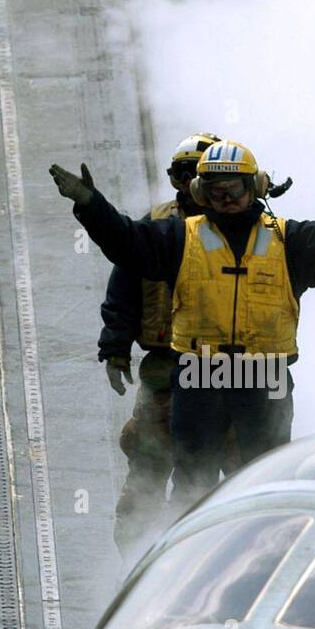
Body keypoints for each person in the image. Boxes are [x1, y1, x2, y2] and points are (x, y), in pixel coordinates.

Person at [51, 137, 315, 507]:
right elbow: (125, 243)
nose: (226, 200)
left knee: (267, 484)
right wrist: (89, 204)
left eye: (235, 190)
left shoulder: (290, 240)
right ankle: (192, 557)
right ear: (200, 192)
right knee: (193, 483)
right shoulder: (180, 237)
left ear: (256, 187)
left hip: (264, 375)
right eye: (215, 192)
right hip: (199, 372)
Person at [99, 133, 234, 552]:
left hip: (223, 369)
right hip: (164, 365)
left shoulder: (240, 228)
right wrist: (116, 345)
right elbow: (124, 283)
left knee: (227, 467)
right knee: (147, 462)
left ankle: (209, 555)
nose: (189, 183)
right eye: (182, 173)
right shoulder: (155, 225)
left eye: (198, 173)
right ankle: (134, 560)